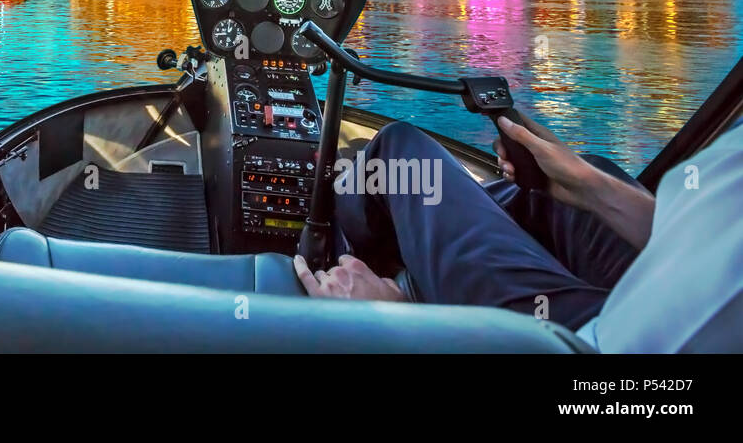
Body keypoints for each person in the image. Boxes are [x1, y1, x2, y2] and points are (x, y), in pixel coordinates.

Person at [292, 112, 743, 352]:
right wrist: (590, 187)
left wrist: (398, 326)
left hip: (590, 343)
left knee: (404, 154)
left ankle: (362, 249)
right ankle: (439, 258)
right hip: (668, 287)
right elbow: (715, 235)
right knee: (571, 185)